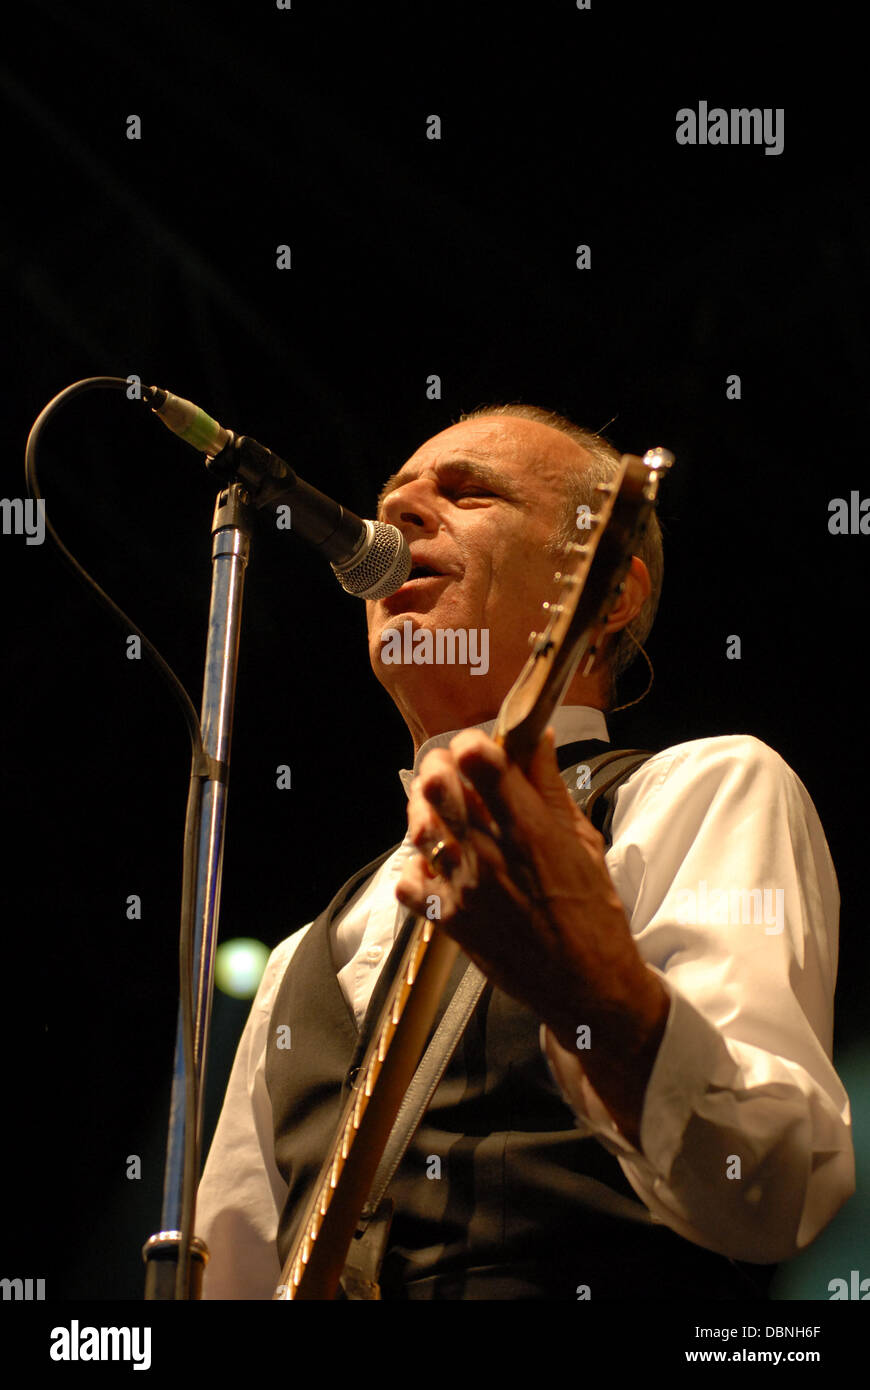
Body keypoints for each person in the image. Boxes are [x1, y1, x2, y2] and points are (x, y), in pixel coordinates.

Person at [195, 404, 854, 1300]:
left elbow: (771, 1196)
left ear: (607, 594)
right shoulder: (295, 964)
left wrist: (587, 983)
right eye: (394, 501)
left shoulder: (703, 790)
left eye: (469, 493)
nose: (402, 516)